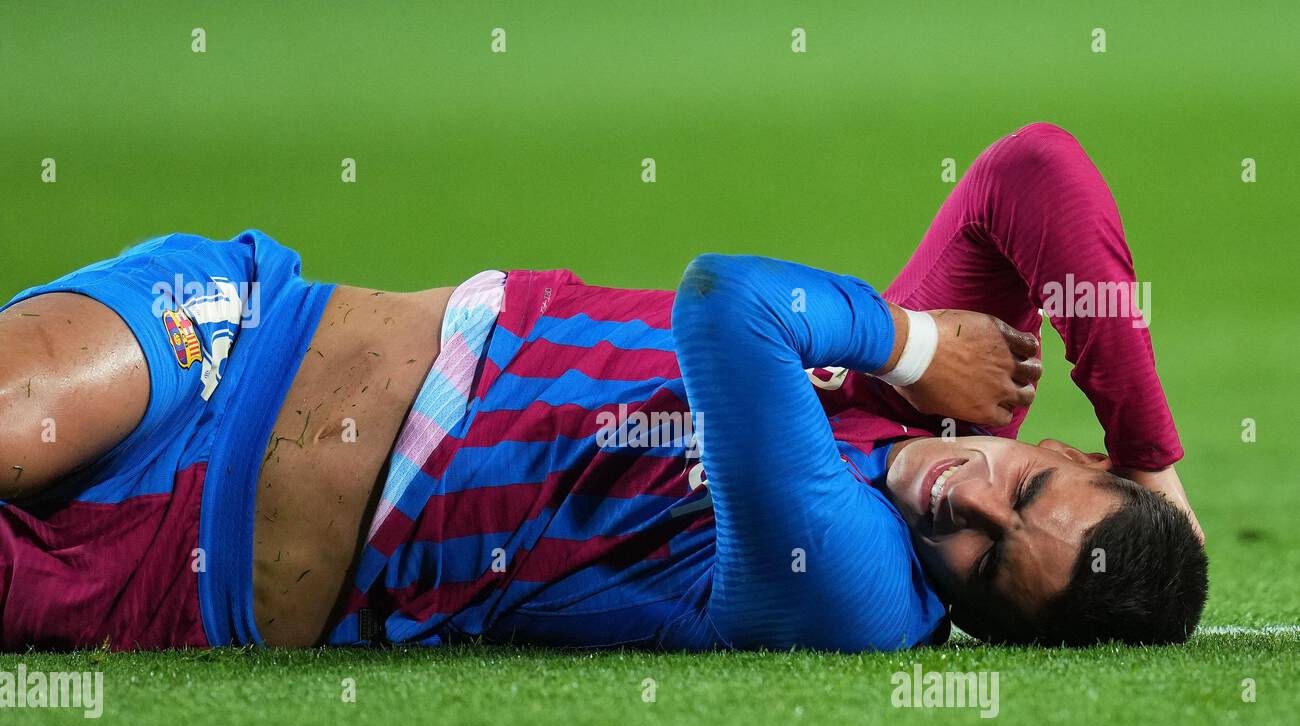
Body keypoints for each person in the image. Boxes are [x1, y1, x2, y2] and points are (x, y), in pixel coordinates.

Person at [0, 123, 1206, 652]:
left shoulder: (852, 590)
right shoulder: (949, 414)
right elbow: (1032, 171)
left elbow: (728, 305)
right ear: (1065, 444)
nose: (970, 498)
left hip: (177, 563)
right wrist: (1154, 456)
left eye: (990, 561)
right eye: (1029, 480)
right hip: (237, 325)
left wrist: (901, 342)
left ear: (971, 617)